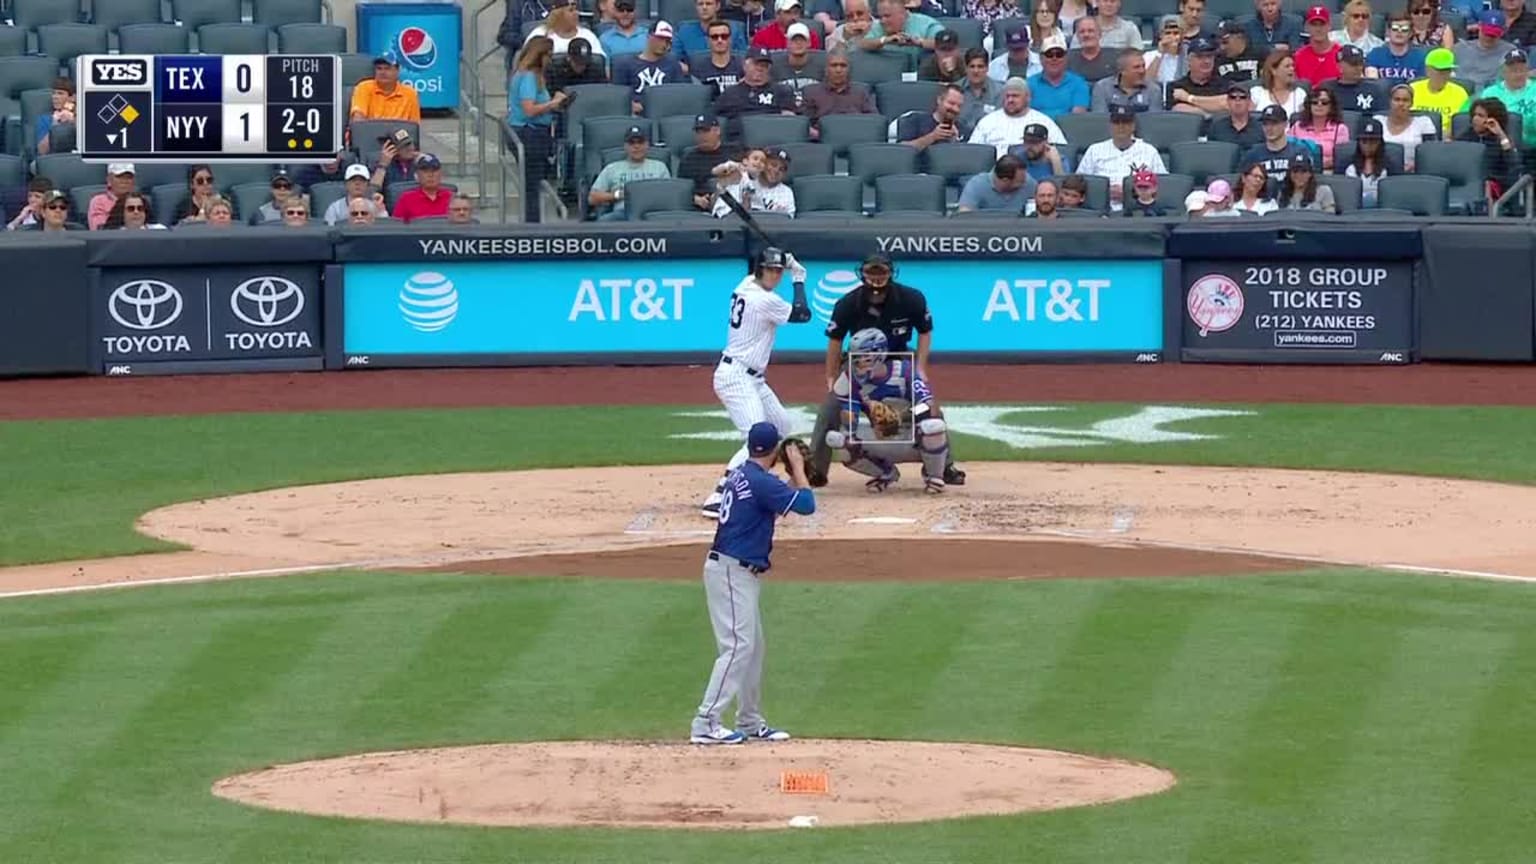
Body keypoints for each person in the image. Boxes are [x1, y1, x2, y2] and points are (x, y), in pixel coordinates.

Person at [690, 418, 815, 746]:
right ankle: (705, 721)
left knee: (752, 649)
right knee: (737, 648)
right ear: (774, 451)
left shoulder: (740, 474)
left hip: (733, 571)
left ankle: (749, 720)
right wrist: (798, 470)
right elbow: (807, 505)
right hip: (732, 572)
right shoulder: (761, 482)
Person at [814, 253, 965, 487]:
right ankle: (816, 469)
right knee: (830, 408)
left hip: (899, 354)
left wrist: (921, 368)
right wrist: (831, 376)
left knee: (931, 408)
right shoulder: (847, 303)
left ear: (890, 273)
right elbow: (835, 340)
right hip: (859, 361)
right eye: (871, 273)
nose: (876, 278)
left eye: (881, 272)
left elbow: (925, 332)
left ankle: (944, 466)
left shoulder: (911, 298)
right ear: (862, 274)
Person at [699, 246, 812, 517]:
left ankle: (758, 484)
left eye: (778, 271)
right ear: (758, 270)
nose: (774, 276)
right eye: (770, 270)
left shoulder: (746, 284)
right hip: (736, 376)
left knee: (781, 426)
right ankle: (720, 494)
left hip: (753, 379)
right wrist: (798, 278)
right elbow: (802, 314)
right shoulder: (764, 301)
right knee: (755, 436)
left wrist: (783, 262)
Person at [823, 328, 954, 493]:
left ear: (879, 355)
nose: (858, 363)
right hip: (880, 437)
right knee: (837, 439)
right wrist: (850, 427)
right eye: (855, 358)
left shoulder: (905, 371)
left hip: (911, 437)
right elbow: (850, 417)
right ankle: (885, 473)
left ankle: (933, 476)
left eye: (864, 357)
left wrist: (902, 416)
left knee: (934, 426)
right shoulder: (849, 380)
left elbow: (930, 406)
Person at [507, 36, 567, 224]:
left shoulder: (531, 76)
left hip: (535, 132)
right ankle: (532, 226)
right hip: (528, 133)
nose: (550, 60)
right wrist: (553, 104)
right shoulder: (528, 77)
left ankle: (534, 222)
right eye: (549, 55)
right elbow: (529, 109)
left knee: (535, 182)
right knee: (532, 185)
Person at [1077, 102, 1168, 210]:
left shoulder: (1149, 151)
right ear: (1110, 126)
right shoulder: (1094, 150)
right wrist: (1104, 192)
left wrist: (1129, 193)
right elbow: (1079, 184)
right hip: (1101, 210)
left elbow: (1163, 185)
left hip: (1138, 210)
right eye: (1116, 122)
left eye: (1125, 122)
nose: (1121, 127)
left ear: (1133, 126)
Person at [968, 77, 1068, 157]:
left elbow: (1062, 152)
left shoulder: (1044, 122)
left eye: (1015, 96)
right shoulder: (987, 122)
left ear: (1028, 98)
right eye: (1007, 96)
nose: (1010, 100)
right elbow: (973, 154)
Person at [714, 47, 798, 142]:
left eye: (764, 65)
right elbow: (714, 119)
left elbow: (790, 121)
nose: (760, 68)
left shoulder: (781, 91)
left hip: (771, 142)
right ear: (745, 66)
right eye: (756, 64)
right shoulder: (730, 93)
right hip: (738, 143)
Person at [589, 126, 671, 220]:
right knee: (604, 221)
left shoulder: (660, 167)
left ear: (647, 145)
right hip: (623, 213)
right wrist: (617, 195)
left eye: (640, 142)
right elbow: (592, 198)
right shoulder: (612, 168)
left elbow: (667, 197)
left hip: (652, 213)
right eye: (632, 143)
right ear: (625, 146)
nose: (636, 146)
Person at [1457, 97, 1522, 206]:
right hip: (1468, 183)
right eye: (1474, 115)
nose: (1475, 119)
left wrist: (1500, 134)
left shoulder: (1501, 139)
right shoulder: (1465, 137)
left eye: (1481, 116)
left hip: (1495, 184)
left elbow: (1515, 166)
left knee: (1485, 186)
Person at [614, 21, 688, 114]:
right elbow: (618, 96)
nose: (664, 44)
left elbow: (679, 93)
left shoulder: (673, 64)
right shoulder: (626, 64)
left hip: (666, 111)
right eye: (660, 38)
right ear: (649, 36)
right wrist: (629, 105)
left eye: (667, 41)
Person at [804, 49, 877, 137]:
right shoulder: (811, 92)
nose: (838, 70)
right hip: (822, 141)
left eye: (843, 66)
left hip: (855, 138)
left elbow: (874, 121)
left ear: (849, 69)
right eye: (834, 65)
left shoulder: (861, 92)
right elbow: (803, 124)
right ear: (826, 69)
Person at [1482, 49, 1536, 153]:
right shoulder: (1490, 93)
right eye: (1514, 70)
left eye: (1522, 70)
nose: (1518, 74)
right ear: (1503, 72)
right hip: (1500, 149)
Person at [1377, 82, 1440, 169]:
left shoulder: (1424, 123)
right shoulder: (1378, 121)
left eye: (1405, 100)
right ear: (1390, 102)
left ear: (1411, 103)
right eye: (1397, 99)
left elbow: (1431, 153)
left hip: (1414, 172)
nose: (1401, 104)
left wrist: (1415, 166)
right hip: (1382, 170)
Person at [1244, 103, 1315, 181]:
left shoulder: (1300, 152)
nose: (1269, 128)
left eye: (1274, 123)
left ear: (1285, 124)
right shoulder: (1253, 155)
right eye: (1265, 124)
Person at [716, 147, 796, 215]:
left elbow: (787, 223)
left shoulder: (786, 192)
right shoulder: (740, 180)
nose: (776, 171)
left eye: (782, 169)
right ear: (763, 164)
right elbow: (721, 213)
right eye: (773, 165)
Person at [1411, 49, 1471, 138]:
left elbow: (1461, 125)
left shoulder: (1459, 93)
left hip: (1446, 138)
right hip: (1415, 135)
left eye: (1448, 71)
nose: (1445, 75)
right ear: (1428, 70)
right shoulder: (1412, 89)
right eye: (1440, 71)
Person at [1288, 85, 1351, 170]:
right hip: (1299, 171)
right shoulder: (1297, 127)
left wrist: (1316, 164)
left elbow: (1341, 159)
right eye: (1314, 102)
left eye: (1324, 102)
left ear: (1331, 106)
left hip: (1328, 171)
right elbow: (1288, 151)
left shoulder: (1340, 129)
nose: (1319, 105)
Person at [1029, 34, 1090, 117]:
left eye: (1059, 54)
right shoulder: (1029, 84)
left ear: (1066, 57)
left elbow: (1077, 119)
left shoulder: (1079, 84)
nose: (1054, 58)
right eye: (1049, 54)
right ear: (1041, 58)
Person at [350, 53, 422, 124]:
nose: (383, 72)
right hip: (370, 134)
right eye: (379, 68)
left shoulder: (410, 94)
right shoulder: (364, 87)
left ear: (397, 71)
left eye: (387, 68)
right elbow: (358, 120)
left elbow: (414, 126)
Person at [679, 114, 733, 210]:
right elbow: (681, 189)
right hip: (699, 209)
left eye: (706, 131)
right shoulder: (688, 159)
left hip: (730, 204)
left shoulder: (733, 152)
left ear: (717, 131)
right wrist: (695, 199)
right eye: (698, 132)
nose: (701, 136)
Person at [1168, 36, 1231, 114]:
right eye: (1200, 57)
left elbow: (1227, 103)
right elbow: (1179, 109)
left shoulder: (1225, 83)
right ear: (1189, 60)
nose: (1207, 61)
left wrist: (1189, 98)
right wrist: (1210, 112)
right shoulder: (1176, 86)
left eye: (1209, 56)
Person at [898, 84, 971, 150]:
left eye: (959, 106)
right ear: (939, 100)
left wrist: (955, 143)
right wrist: (933, 137)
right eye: (951, 103)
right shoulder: (915, 120)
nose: (955, 109)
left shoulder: (964, 130)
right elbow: (902, 149)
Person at [1455, 12, 1515, 91]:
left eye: (1493, 35)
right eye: (1486, 34)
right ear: (1479, 26)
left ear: (1503, 31)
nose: (1489, 38)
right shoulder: (1460, 48)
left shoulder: (1509, 52)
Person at [861, 0, 944, 57]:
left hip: (919, 74)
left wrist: (919, 42)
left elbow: (944, 44)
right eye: (880, 16)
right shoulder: (879, 26)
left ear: (903, 14)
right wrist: (885, 40)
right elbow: (864, 44)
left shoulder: (926, 23)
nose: (882, 20)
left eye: (887, 16)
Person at [1091, 48, 1163, 113]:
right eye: (1136, 67)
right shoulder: (1102, 88)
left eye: (1143, 66)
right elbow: (1100, 121)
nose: (1142, 71)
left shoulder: (1153, 90)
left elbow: (1154, 123)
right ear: (1122, 71)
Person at [524, 0, 606, 56]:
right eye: (571, 10)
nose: (576, 13)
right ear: (557, 14)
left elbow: (601, 65)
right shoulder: (539, 35)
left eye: (576, 9)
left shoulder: (588, 36)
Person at [1345, 118, 1397, 206]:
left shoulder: (1390, 166)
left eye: (1373, 142)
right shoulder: (1347, 164)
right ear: (1358, 143)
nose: (1368, 146)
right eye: (1364, 141)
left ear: (1380, 143)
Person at [676, 0, 748, 62]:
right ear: (696, 7)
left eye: (708, 4)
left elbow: (743, 57)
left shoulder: (735, 29)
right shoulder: (684, 31)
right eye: (700, 4)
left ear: (717, 6)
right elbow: (675, 58)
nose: (704, 8)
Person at [957, 154, 1036, 211]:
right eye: (1020, 182)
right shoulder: (976, 185)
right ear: (1005, 180)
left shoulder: (1028, 182)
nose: (1024, 182)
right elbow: (964, 214)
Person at [1367, 12, 1427, 81]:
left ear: (1410, 33)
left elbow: (1421, 84)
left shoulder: (1420, 57)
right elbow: (1373, 84)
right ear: (1388, 32)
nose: (1399, 32)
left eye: (1404, 29)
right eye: (1395, 28)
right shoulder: (1375, 55)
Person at [393, 154, 453, 222]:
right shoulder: (406, 199)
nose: (430, 175)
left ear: (441, 174)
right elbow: (397, 226)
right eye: (425, 171)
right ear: (417, 175)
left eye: (434, 171)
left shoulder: (451, 198)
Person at [695, 20, 747, 96]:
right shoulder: (698, 68)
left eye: (724, 36)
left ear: (730, 39)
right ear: (707, 41)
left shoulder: (743, 65)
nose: (720, 40)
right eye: (714, 37)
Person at [1330, 46, 1387, 114]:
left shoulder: (1374, 89)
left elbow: (1381, 117)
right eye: (1353, 64)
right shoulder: (1328, 89)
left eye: (1360, 63)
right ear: (1339, 66)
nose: (1358, 68)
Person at [1294, 6, 1341, 86]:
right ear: (1307, 27)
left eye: (1322, 24)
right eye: (1314, 25)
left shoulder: (1340, 54)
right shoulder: (1299, 56)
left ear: (1329, 26)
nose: (1318, 29)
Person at [777, 23, 824, 102]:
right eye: (794, 40)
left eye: (802, 39)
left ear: (809, 43)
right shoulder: (774, 67)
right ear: (787, 43)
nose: (798, 43)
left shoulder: (822, 65)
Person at [1208, 82, 1263, 148]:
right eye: (1233, 97)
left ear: (1249, 102)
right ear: (1228, 101)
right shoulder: (1216, 128)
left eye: (1242, 97)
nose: (1237, 101)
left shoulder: (1261, 128)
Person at [1252, 48, 1305, 117]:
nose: (1292, 69)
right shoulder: (1256, 93)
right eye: (1287, 66)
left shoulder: (1300, 94)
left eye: (1293, 66)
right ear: (1273, 70)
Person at [1006, 122, 1071, 178]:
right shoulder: (1017, 157)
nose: (1029, 146)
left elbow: (1062, 186)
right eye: (1026, 141)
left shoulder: (1059, 160)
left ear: (1045, 142)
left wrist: (1056, 163)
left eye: (1034, 142)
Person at [1068, 16, 1118, 82]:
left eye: (1090, 31)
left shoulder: (1114, 57)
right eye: (1082, 32)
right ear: (1077, 36)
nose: (1086, 35)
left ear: (1100, 34)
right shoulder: (1067, 58)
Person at [753, 0, 822, 48]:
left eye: (796, 12)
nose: (793, 17)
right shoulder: (762, 36)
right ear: (777, 15)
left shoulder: (810, 36)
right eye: (788, 12)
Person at [88, 163, 136, 230]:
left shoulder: (139, 201)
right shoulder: (98, 201)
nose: (125, 181)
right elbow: (99, 230)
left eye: (129, 177)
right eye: (119, 177)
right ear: (109, 180)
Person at [35, 77, 74, 156]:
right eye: (54, 93)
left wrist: (73, 121)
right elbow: (42, 151)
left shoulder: (80, 118)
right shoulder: (45, 119)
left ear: (72, 97)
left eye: (60, 93)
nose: (55, 97)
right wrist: (54, 125)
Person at [1145, 17, 1186, 88]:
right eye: (1168, 33)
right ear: (1161, 35)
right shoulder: (1149, 56)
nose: (1172, 37)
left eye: (1176, 33)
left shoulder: (1189, 56)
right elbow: (1146, 82)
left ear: (1182, 35)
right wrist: (1160, 53)